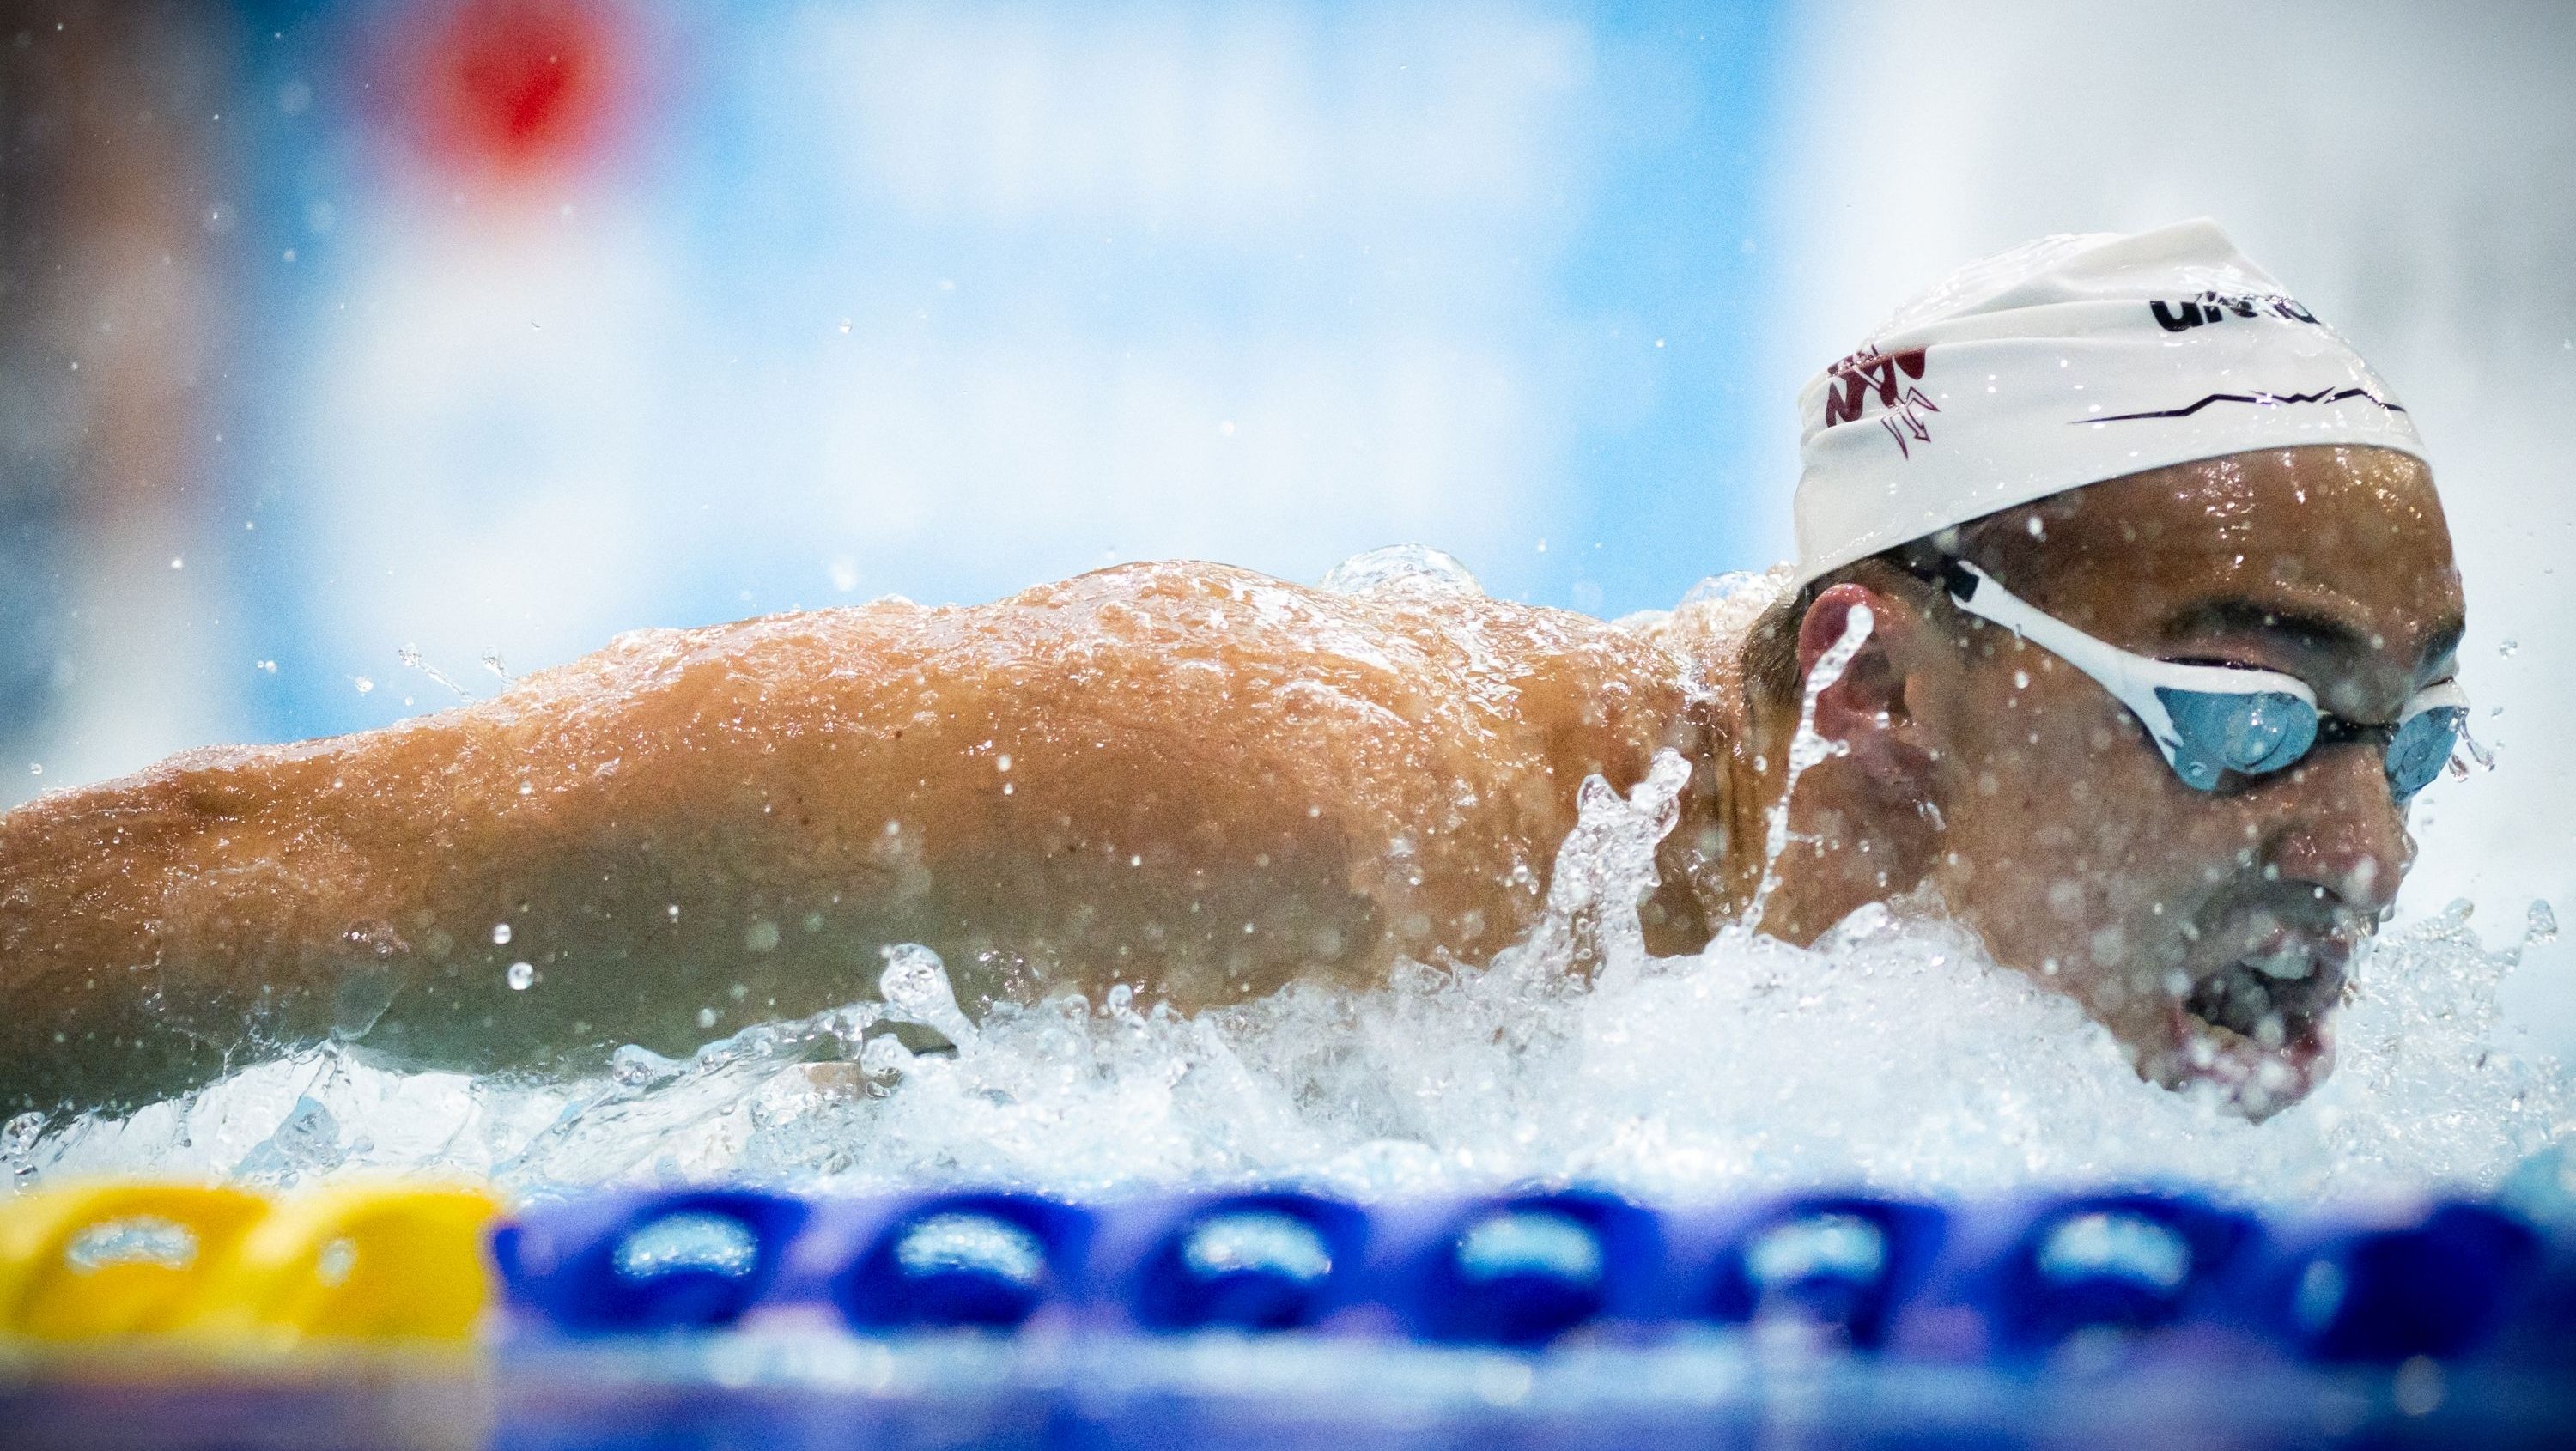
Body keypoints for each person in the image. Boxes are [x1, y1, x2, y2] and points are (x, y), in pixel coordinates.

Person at [0, 221, 2464, 1122]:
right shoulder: (1321, 809)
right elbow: (326, 877)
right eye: (2247, 717)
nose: (2355, 852)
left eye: (2410, 734)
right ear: (1878, 681)